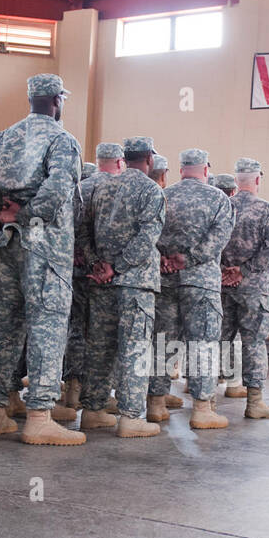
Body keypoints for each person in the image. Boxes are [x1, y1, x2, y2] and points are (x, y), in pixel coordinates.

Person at [0, 73, 84, 446]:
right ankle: (39, 416)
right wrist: (25, 215)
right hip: (45, 249)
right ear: (58, 100)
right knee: (46, 326)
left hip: (5, 247)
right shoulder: (61, 140)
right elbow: (60, 187)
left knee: (2, 327)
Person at [80, 136, 165, 438]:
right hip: (135, 284)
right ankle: (130, 417)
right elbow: (147, 239)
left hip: (101, 282)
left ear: (124, 158)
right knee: (134, 349)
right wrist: (118, 266)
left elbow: (84, 233)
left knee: (99, 347)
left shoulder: (100, 187)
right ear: (150, 160)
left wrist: (98, 266)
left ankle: (92, 411)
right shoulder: (151, 190)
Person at [147, 147, 233, 430]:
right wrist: (188, 259)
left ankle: (156, 404)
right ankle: (201, 408)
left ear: (181, 169)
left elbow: (150, 233)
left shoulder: (163, 195)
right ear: (206, 169)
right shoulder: (219, 199)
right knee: (203, 343)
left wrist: (165, 258)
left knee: (162, 342)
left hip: (166, 279)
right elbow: (217, 240)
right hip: (201, 283)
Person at [63, 141, 123, 423]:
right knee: (101, 337)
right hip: (103, 274)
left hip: (74, 270)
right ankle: (97, 395)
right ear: (119, 162)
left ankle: (72, 391)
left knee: (76, 330)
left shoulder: (81, 187)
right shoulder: (117, 190)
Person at [219, 157, 269, 419]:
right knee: (253, 343)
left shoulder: (222, 206)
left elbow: (212, 243)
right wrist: (243, 271)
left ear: (236, 181)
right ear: (257, 179)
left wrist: (226, 270)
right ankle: (254, 403)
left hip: (221, 286)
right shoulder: (266, 210)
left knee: (218, 342)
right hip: (253, 289)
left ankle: (206, 403)